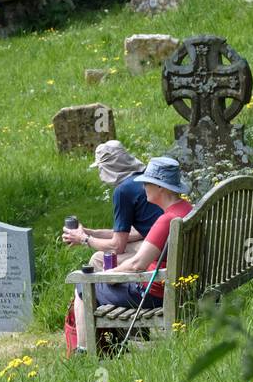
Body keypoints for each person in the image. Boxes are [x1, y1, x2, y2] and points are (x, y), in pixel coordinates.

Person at [71, 157, 192, 351]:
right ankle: (119, 343)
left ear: (161, 187)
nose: (143, 187)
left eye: (147, 183)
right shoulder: (186, 209)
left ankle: (83, 351)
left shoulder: (166, 220)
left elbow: (137, 265)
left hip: (154, 293)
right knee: (102, 278)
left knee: (82, 286)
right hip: (180, 287)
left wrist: (104, 276)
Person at [62, 140, 161, 264]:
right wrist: (89, 233)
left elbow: (117, 246)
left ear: (107, 167)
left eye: (100, 168)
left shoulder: (124, 191)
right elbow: (136, 233)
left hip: (161, 257)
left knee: (99, 259)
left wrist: (84, 239)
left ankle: (118, 284)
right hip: (169, 246)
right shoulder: (146, 179)